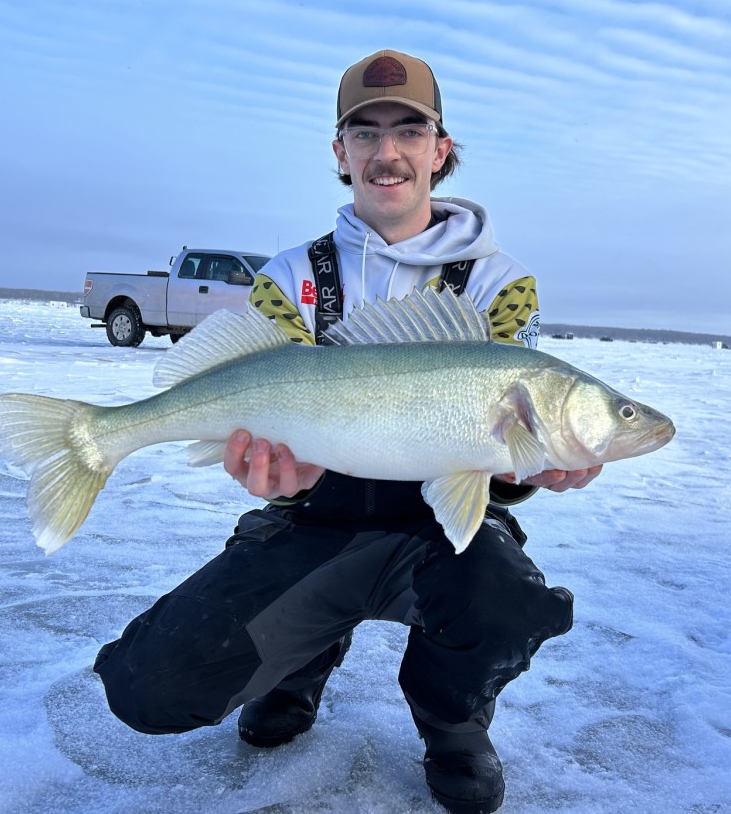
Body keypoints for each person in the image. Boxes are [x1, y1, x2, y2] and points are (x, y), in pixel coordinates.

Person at [93, 49, 602, 814]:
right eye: (365, 133)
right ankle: (299, 660)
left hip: (440, 531)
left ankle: (453, 719)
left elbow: (501, 450)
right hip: (314, 517)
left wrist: (527, 468)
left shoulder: (502, 283)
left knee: (507, 601)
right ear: (340, 153)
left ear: (442, 149)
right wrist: (265, 473)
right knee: (149, 687)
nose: (387, 152)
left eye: (409, 130)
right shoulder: (293, 275)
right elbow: (256, 390)